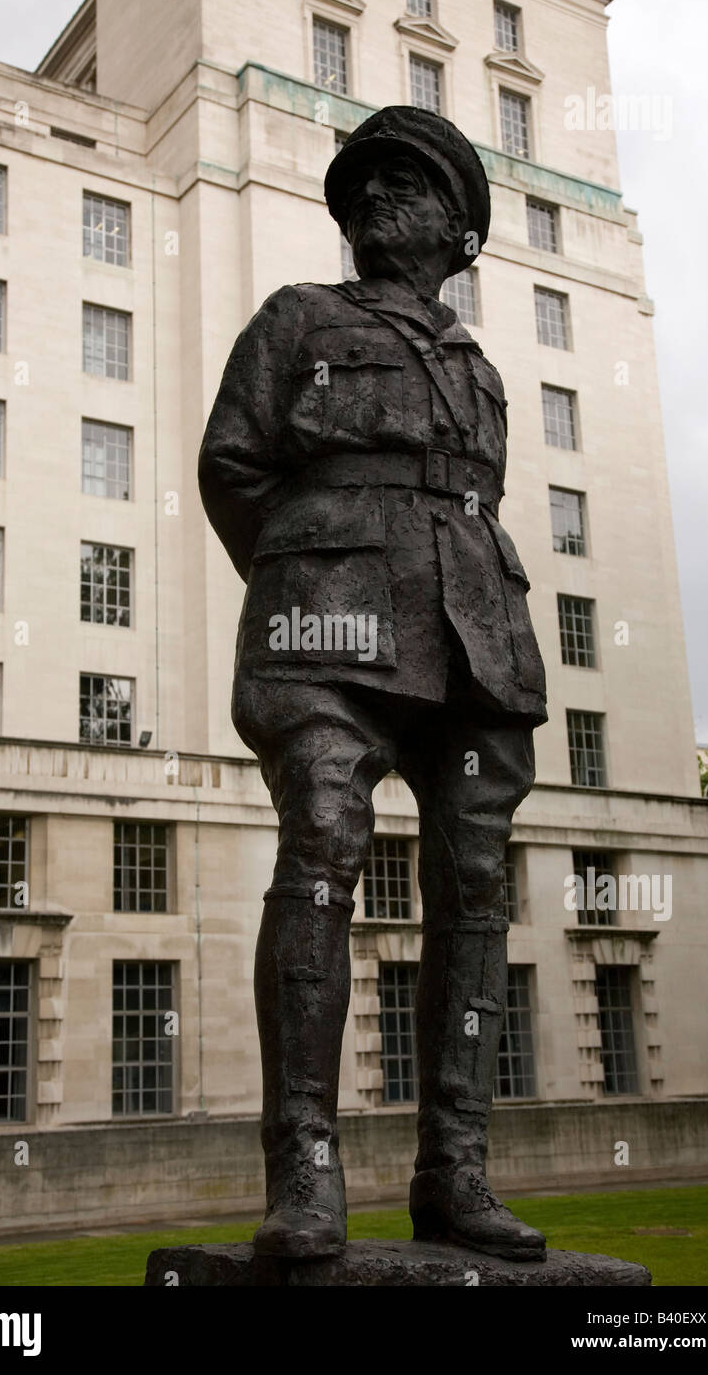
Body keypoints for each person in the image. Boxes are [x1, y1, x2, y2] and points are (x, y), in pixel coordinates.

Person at [199, 106, 548, 1262]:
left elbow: (472, 499)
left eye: (412, 182)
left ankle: (453, 1169)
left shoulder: (481, 371)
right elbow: (234, 469)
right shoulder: (296, 320)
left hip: (470, 639)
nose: (381, 197)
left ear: (462, 233)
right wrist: (320, 559)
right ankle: (302, 1171)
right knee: (323, 850)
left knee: (477, 887)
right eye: (368, 181)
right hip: (325, 630)